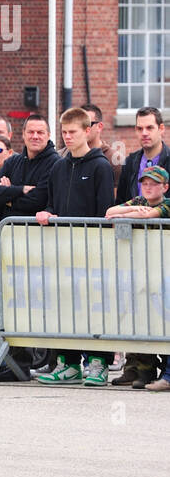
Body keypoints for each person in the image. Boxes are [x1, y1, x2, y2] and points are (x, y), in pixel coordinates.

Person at [35, 107, 117, 386]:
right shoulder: (58, 167)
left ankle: (98, 363)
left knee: (95, 306)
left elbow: (103, 212)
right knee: (66, 306)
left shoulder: (101, 167)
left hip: (93, 251)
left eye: (73, 132)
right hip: (62, 251)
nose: (68, 137)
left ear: (87, 131)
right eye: (64, 132)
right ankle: (68, 363)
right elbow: (52, 203)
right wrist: (46, 214)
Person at [106, 166, 169, 389]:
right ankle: (133, 367)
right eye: (145, 183)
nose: (149, 187)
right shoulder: (139, 200)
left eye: (154, 183)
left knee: (155, 320)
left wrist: (131, 214)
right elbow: (110, 212)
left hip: (161, 271)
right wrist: (134, 212)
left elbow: (152, 215)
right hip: (137, 269)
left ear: (165, 187)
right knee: (136, 316)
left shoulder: (167, 204)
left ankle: (147, 369)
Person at [0, 114, 58, 218]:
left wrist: (8, 198)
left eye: (40, 132)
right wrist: (21, 189)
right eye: (30, 132)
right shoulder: (12, 162)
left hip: (40, 231)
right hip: (10, 230)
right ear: (23, 134)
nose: (35, 136)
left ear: (48, 135)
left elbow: (38, 201)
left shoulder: (56, 163)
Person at [117, 107, 170, 203]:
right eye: (140, 129)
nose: (144, 133)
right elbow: (120, 201)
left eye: (149, 128)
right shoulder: (129, 163)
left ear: (161, 129)